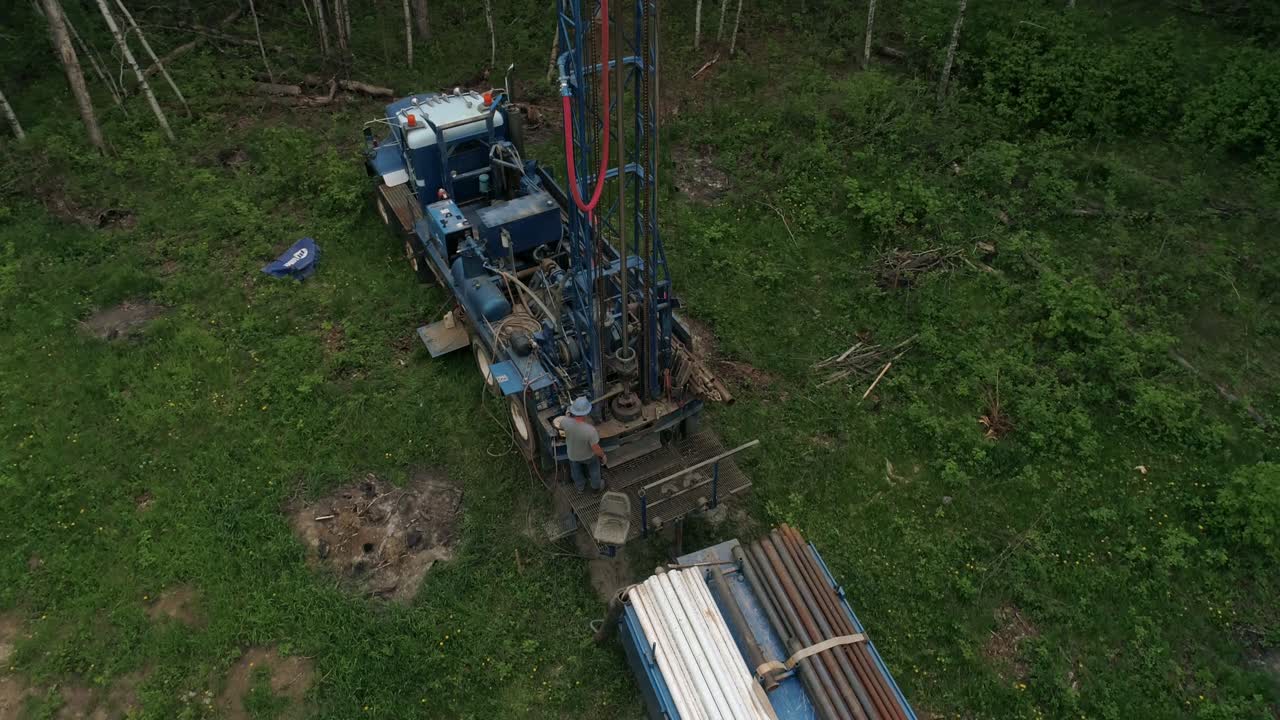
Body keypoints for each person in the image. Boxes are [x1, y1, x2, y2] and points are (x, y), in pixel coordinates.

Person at [558, 396, 606, 493]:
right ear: (586, 413)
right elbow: (596, 449)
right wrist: (603, 456)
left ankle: (580, 488)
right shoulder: (590, 430)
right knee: (594, 469)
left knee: (576, 471)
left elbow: (562, 427)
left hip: (573, 455)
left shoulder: (564, 421)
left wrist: (567, 416)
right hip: (589, 457)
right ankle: (595, 488)